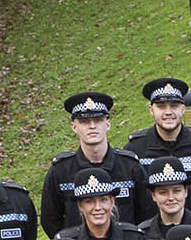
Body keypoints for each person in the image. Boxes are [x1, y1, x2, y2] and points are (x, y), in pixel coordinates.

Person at [40, 92, 148, 232]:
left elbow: (147, 213)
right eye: (84, 121)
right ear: (74, 127)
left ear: (107, 124)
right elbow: (50, 219)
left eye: (98, 120)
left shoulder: (130, 166)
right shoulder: (61, 170)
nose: (92, 126)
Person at [127, 77, 191, 182]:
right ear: (151, 110)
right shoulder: (135, 148)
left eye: (174, 106)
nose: (168, 112)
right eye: (161, 106)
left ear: (183, 109)